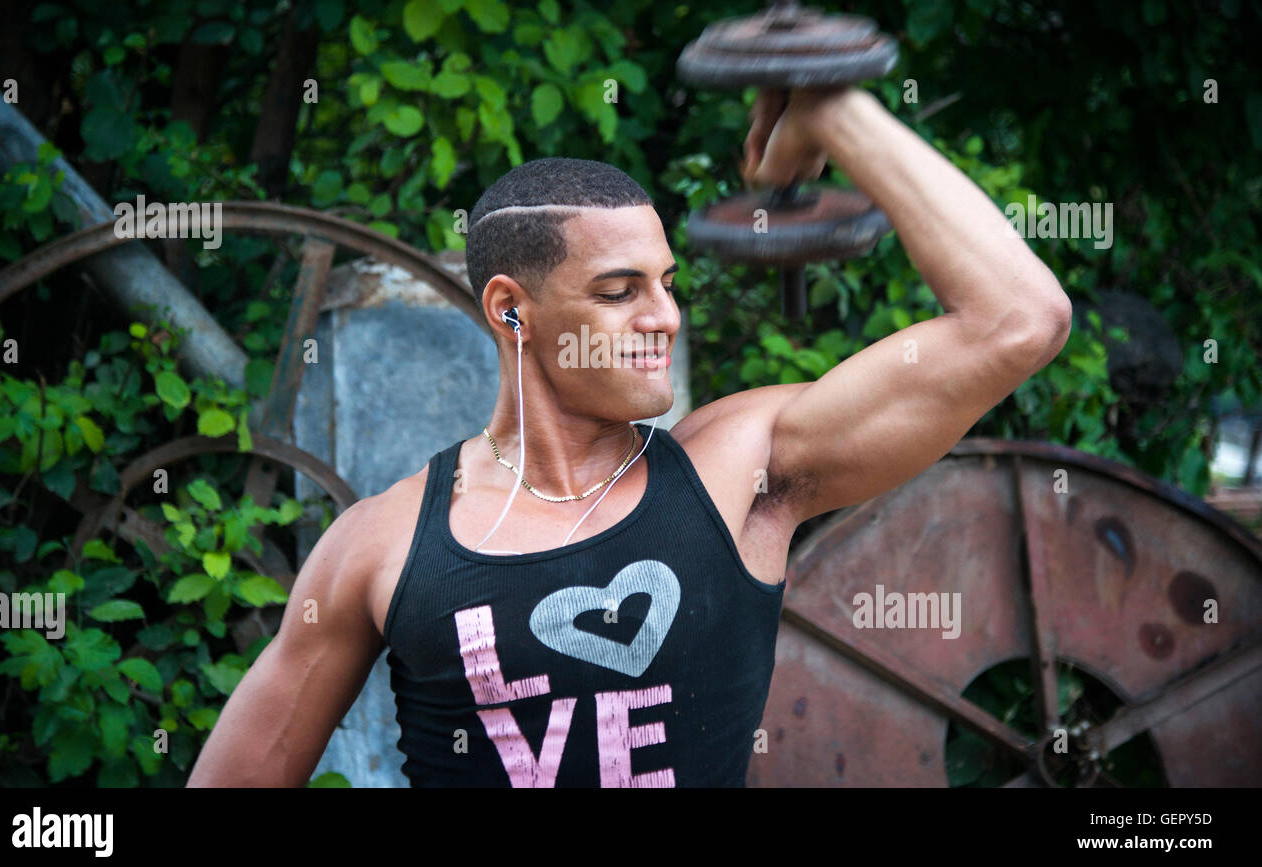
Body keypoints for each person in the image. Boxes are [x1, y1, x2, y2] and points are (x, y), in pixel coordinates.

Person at [187, 85, 1071, 787]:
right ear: (511, 310)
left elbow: (1018, 320)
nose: (666, 318)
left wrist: (836, 114)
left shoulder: (738, 471)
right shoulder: (382, 546)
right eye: (619, 291)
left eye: (668, 282)